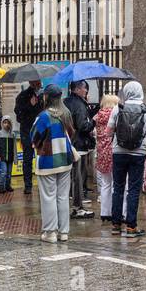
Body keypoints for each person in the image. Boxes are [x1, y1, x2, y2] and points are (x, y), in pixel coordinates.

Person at [106, 80, 146, 238]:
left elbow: (108, 132)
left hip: (118, 153)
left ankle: (115, 224)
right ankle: (131, 227)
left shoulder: (117, 108)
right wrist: (143, 138)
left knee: (118, 187)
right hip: (138, 154)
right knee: (134, 190)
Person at [31, 84, 75, 243]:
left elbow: (34, 136)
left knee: (48, 197)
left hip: (48, 160)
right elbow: (72, 133)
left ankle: (50, 233)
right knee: (63, 197)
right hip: (65, 159)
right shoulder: (66, 113)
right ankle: (64, 232)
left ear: (47, 97)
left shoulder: (43, 116)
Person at [64, 81, 96, 217]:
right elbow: (83, 125)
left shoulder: (66, 102)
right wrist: (93, 121)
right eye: (85, 89)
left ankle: (72, 202)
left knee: (71, 176)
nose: (86, 91)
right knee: (78, 176)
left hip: (69, 143)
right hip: (79, 145)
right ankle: (78, 207)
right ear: (77, 89)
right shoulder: (79, 104)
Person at [14, 80, 43, 197]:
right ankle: (28, 186)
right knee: (27, 159)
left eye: (40, 82)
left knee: (42, 157)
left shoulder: (43, 95)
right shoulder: (22, 96)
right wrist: (29, 106)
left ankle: (42, 184)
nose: (40, 84)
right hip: (27, 131)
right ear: (32, 83)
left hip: (40, 130)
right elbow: (19, 116)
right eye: (37, 82)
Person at [93, 94, 118, 223]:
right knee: (116, 183)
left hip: (102, 152)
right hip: (113, 151)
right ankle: (114, 210)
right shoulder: (114, 115)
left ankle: (104, 212)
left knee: (105, 183)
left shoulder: (98, 115)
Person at [0, 116, 17, 193]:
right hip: (3, 156)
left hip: (10, 157)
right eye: (4, 123)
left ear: (10, 124)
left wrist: (15, 158)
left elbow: (14, 147)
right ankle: (1, 187)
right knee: (4, 172)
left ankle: (8, 186)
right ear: (2, 123)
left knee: (9, 173)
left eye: (8, 123)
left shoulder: (12, 134)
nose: (6, 124)